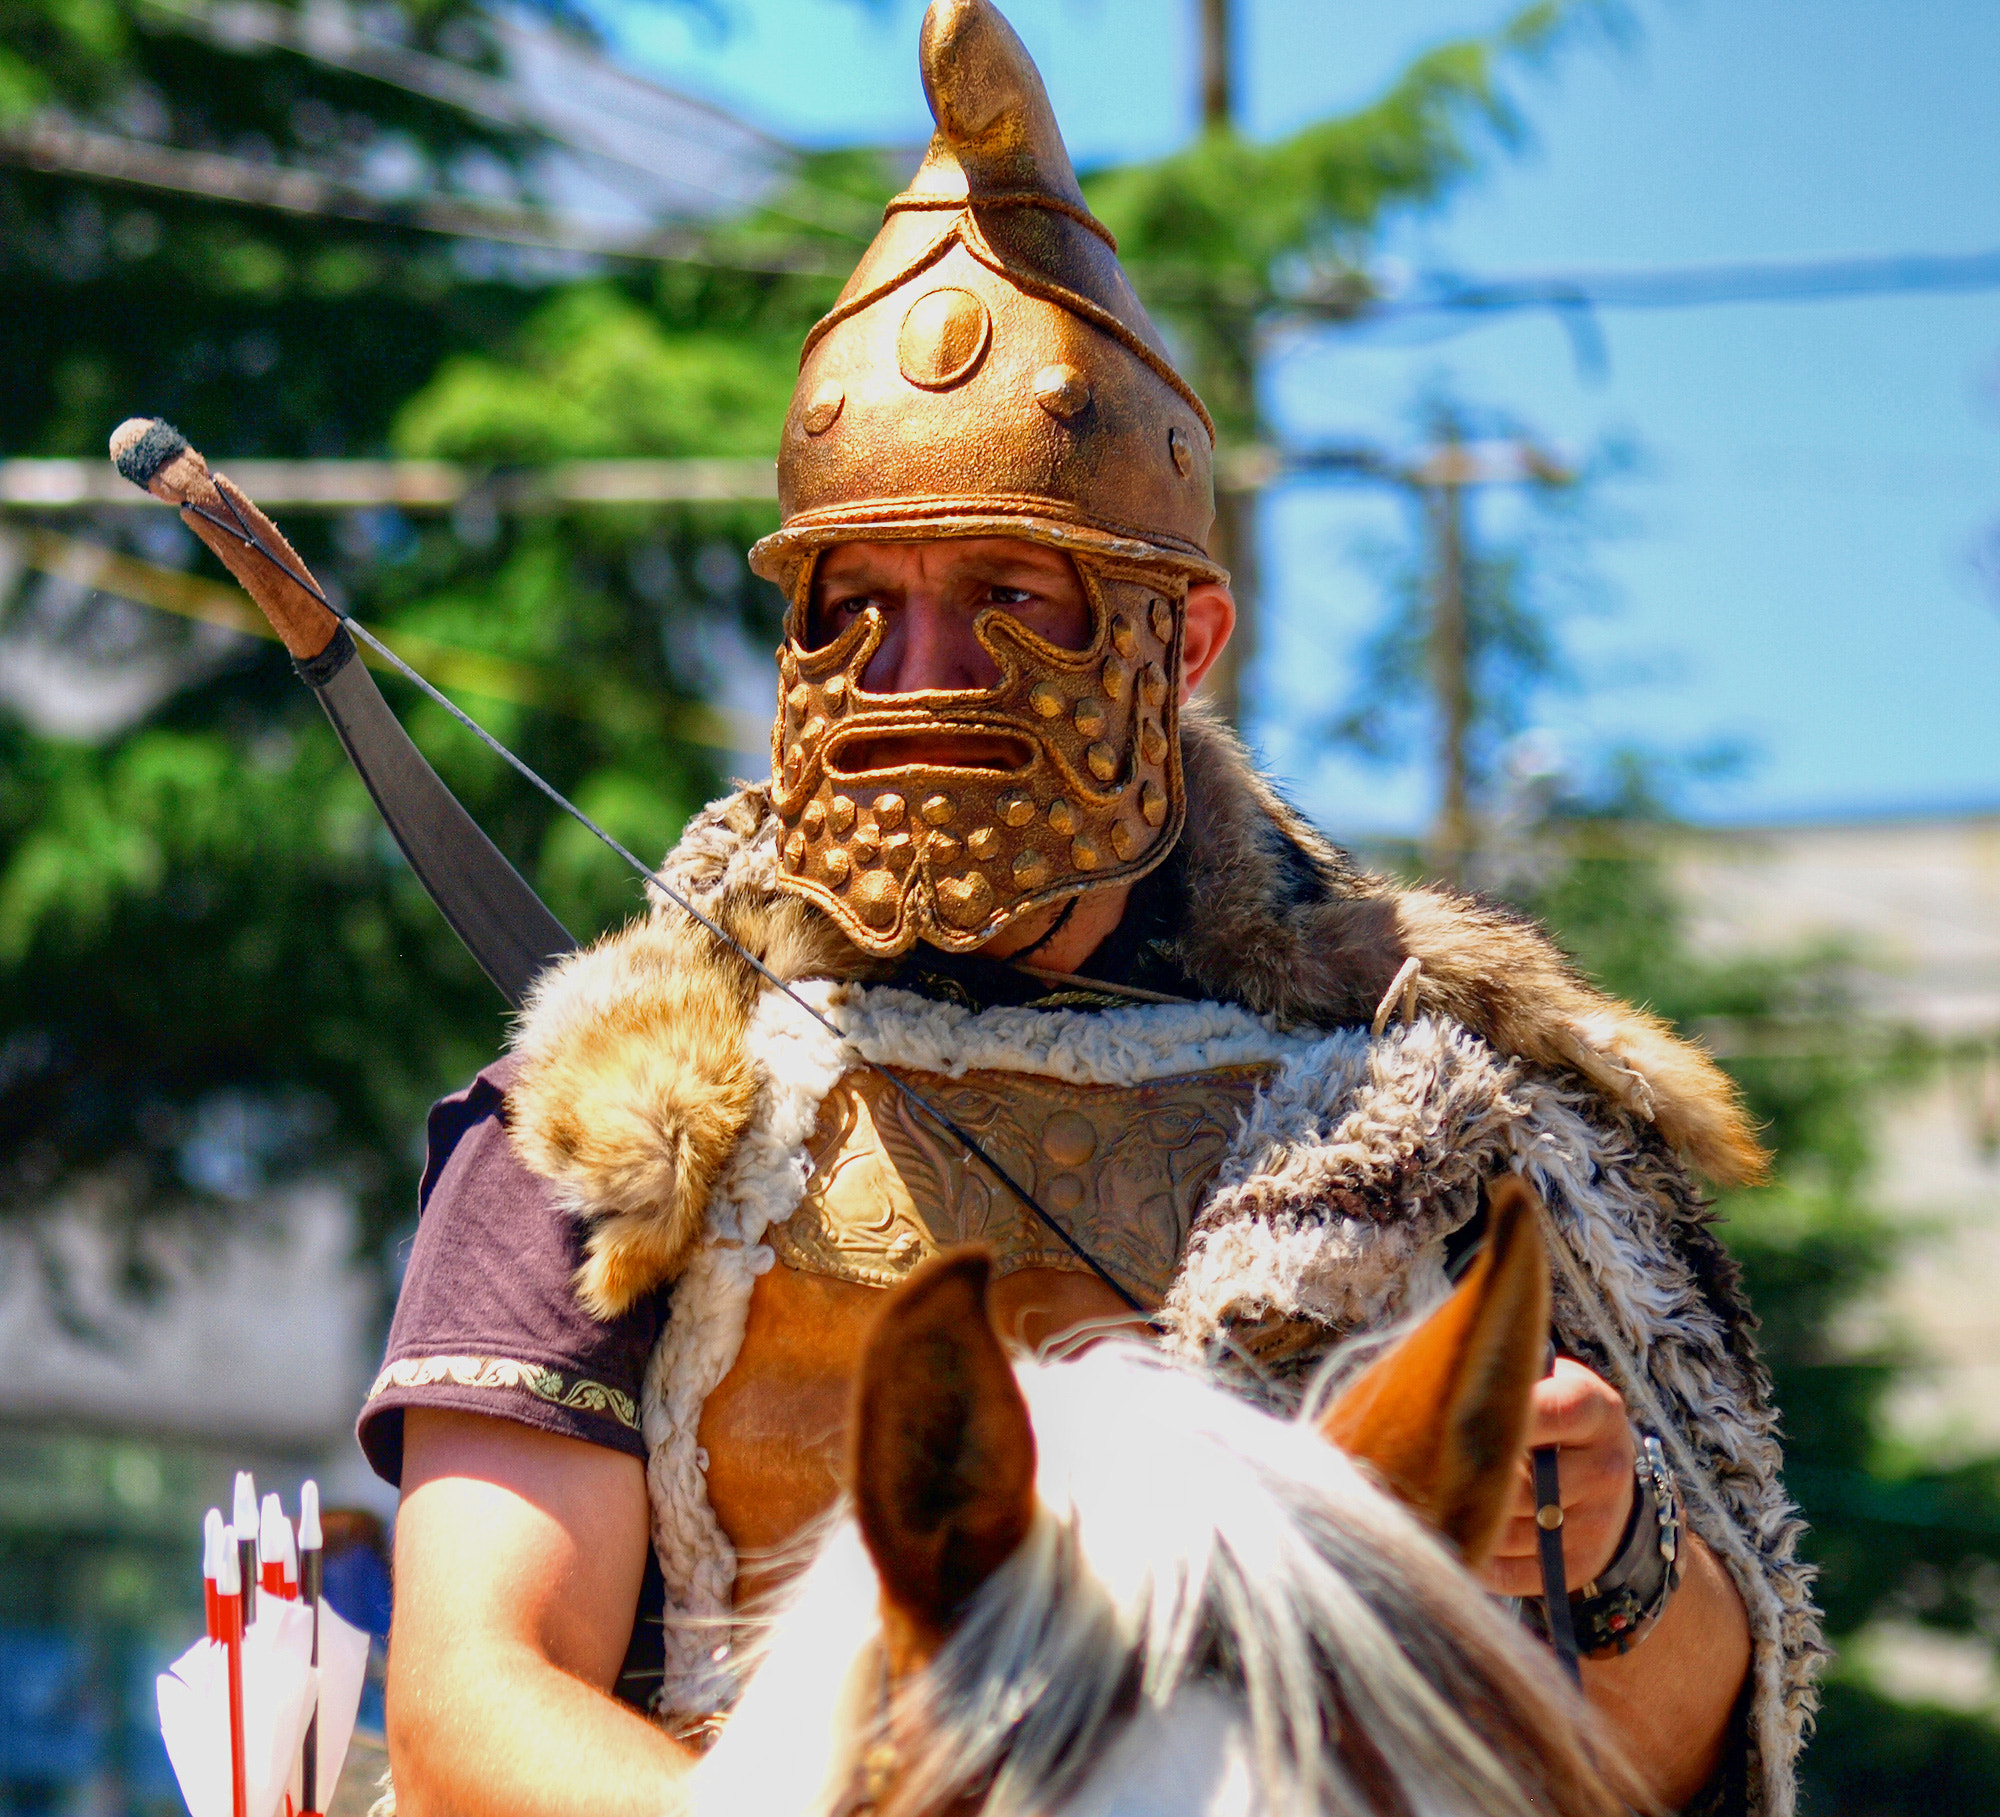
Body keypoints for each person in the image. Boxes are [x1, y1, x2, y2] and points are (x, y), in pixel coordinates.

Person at [356, 4, 1818, 1813]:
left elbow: (1664, 1747)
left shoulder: (1436, 1117)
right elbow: (472, 1698)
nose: (918, 667)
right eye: (855, 604)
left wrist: (1617, 1548)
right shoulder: (626, 1111)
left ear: (1185, 637)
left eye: (1001, 594)